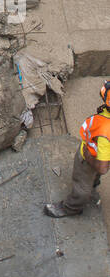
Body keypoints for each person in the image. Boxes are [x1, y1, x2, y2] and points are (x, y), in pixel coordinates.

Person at [45, 78, 110, 217]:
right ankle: (93, 187)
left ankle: (71, 208)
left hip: (90, 159)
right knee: (93, 179)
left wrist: (88, 157)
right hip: (104, 156)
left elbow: (102, 167)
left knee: (81, 188)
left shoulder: (105, 130)